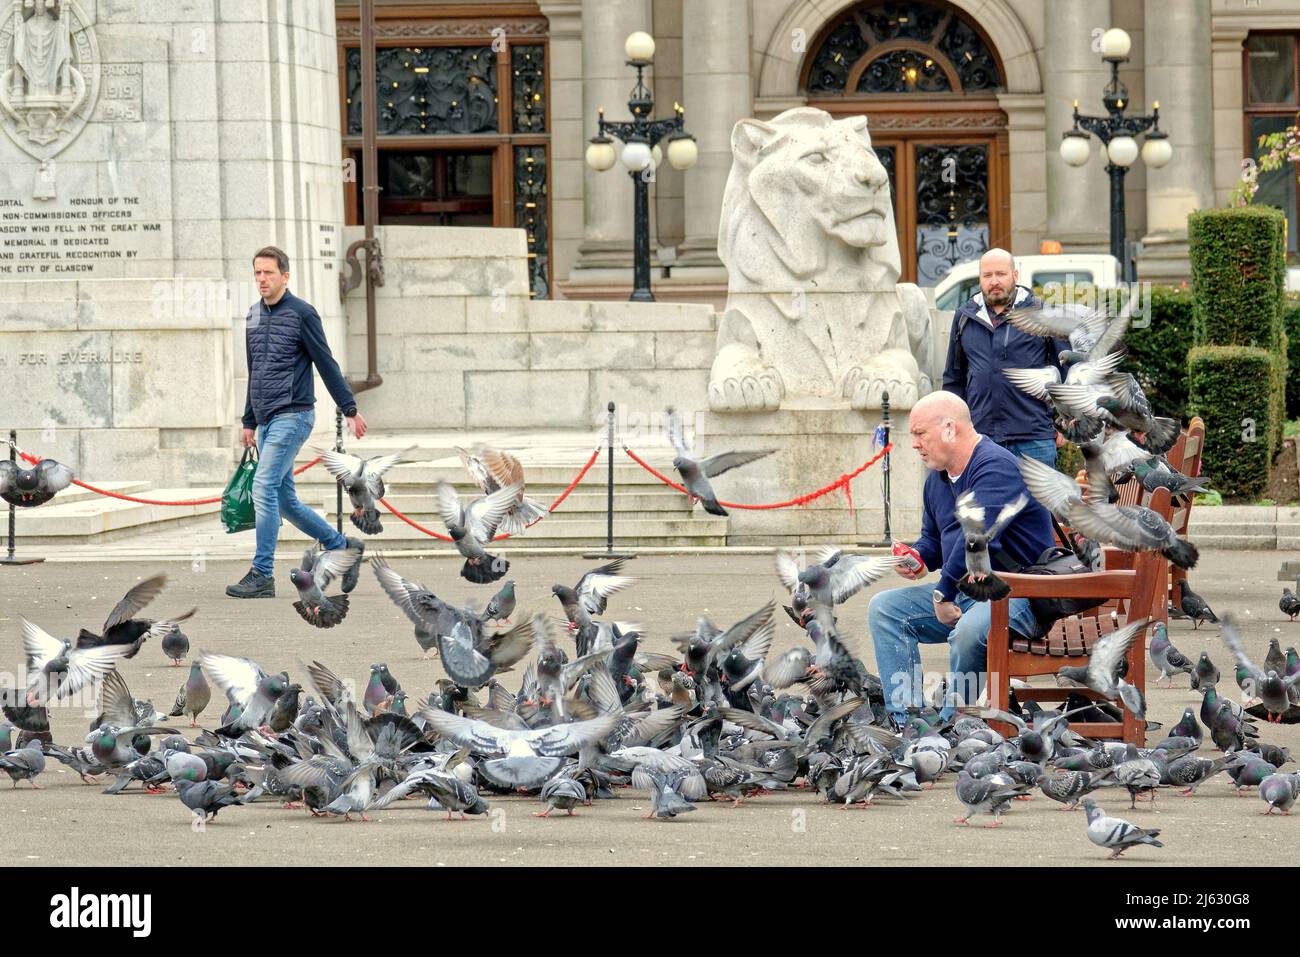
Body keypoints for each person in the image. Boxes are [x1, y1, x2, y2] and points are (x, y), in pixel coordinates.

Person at [867, 391, 1054, 727]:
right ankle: (910, 721)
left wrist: (943, 593)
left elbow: (976, 540)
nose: (914, 444)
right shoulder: (937, 479)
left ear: (950, 429)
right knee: (884, 609)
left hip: (1019, 592)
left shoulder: (997, 467)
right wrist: (917, 556)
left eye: (920, 433)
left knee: (968, 631)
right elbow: (934, 542)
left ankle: (956, 726)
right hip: (968, 591)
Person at [226, 246, 369, 599]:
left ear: (285, 276)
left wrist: (349, 408)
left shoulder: (303, 314)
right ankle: (341, 547)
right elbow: (254, 371)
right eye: (257, 273)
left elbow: (326, 362)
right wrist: (248, 420)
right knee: (285, 501)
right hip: (267, 421)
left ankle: (262, 574)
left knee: (263, 487)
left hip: (294, 414)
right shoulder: (253, 316)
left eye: (269, 273)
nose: (262, 279)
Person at [942, 248, 1064, 468]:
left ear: (1015, 276)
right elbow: (954, 380)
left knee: (1036, 504)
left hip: (1033, 437)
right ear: (980, 279)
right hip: (981, 438)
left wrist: (1065, 422)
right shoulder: (965, 317)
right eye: (987, 276)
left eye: (1001, 274)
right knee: (986, 502)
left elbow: (1066, 371)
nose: (994, 281)